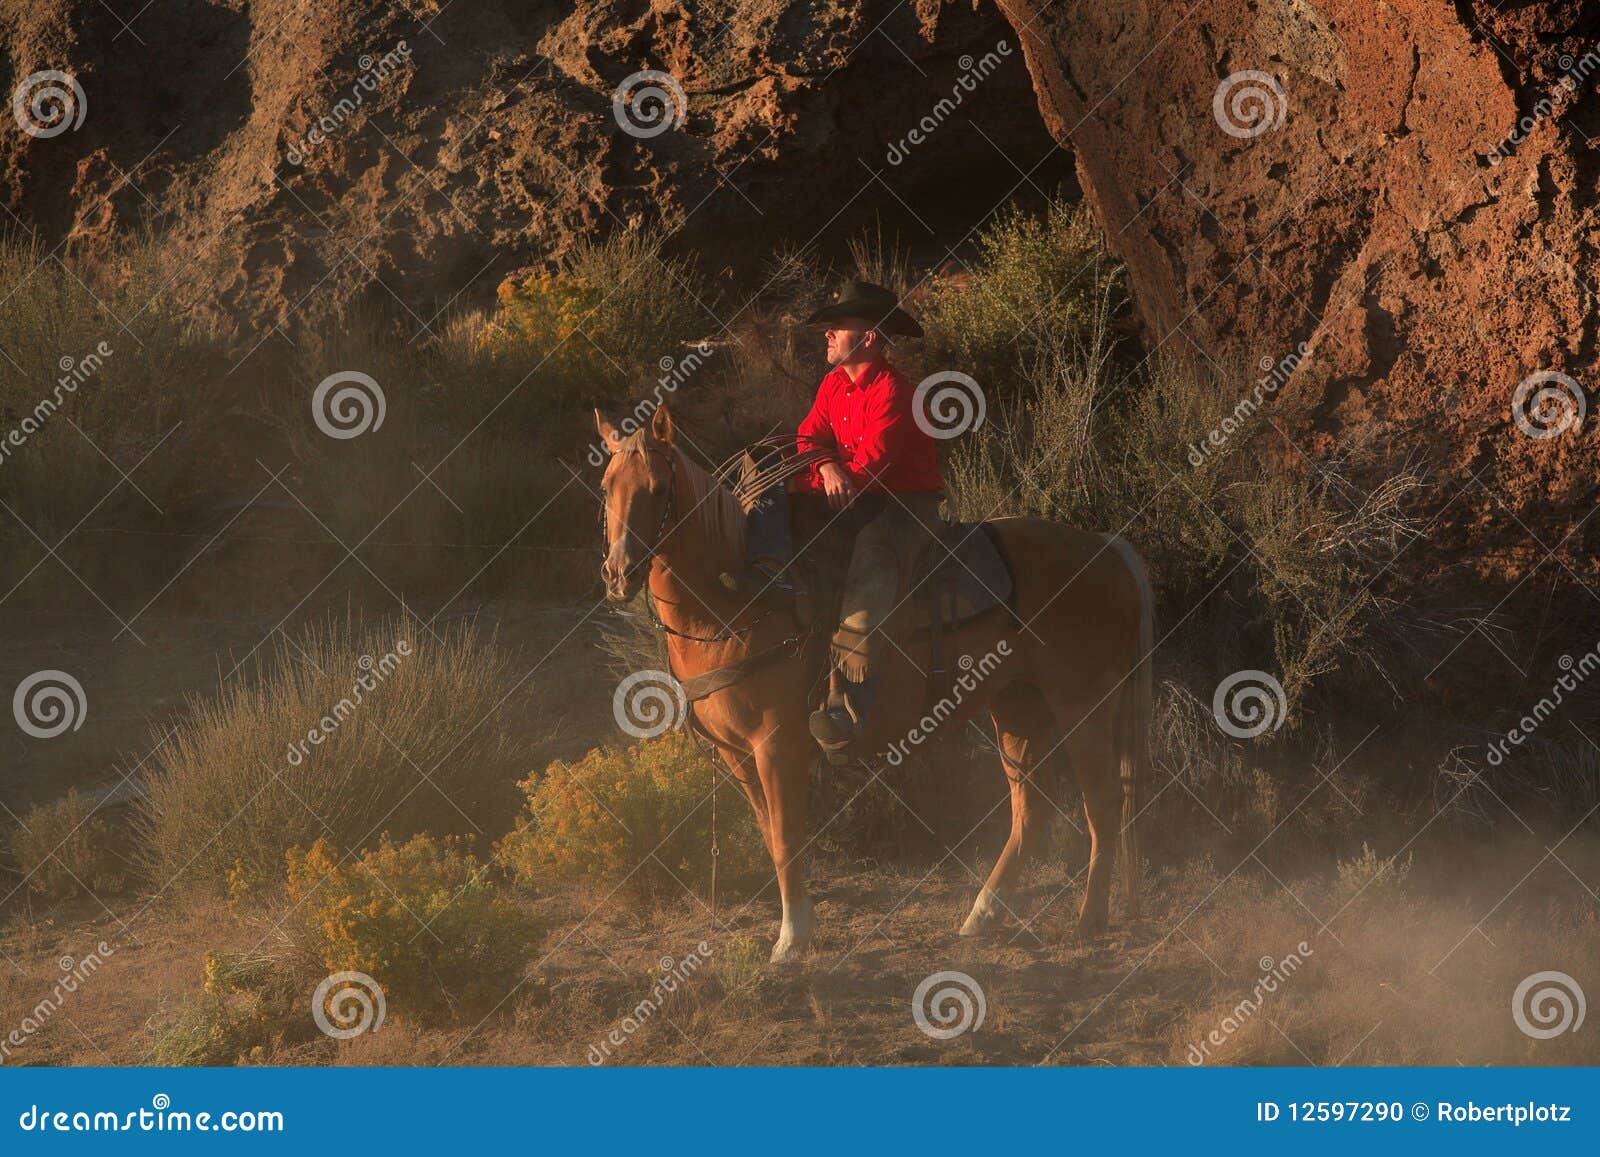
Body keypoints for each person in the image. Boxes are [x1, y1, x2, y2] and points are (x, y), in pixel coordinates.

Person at [741, 278, 946, 754]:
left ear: (869, 337)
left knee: (872, 561)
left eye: (838, 326)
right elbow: (808, 437)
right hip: (851, 493)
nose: (827, 334)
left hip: (902, 506)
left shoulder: (895, 392)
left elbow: (870, 471)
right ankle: (766, 575)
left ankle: (846, 708)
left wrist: (816, 477)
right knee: (765, 480)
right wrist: (824, 466)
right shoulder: (834, 383)